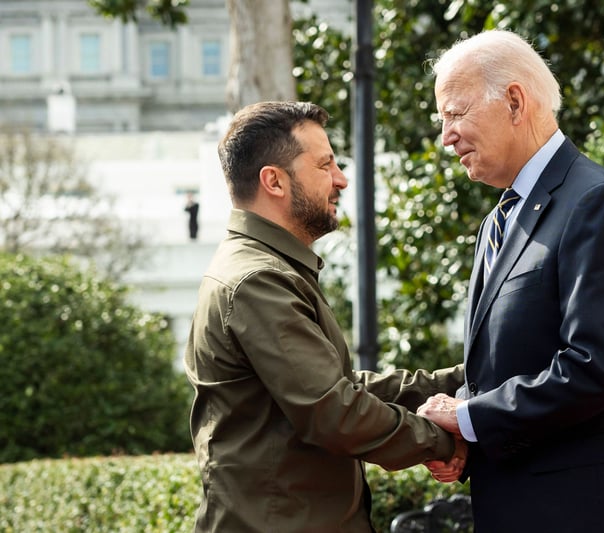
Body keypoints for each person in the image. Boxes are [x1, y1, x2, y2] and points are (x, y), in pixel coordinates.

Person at [416, 30, 604, 532]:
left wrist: (469, 417)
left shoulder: (597, 201)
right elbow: (507, 368)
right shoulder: (497, 220)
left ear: (515, 101)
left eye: (455, 113)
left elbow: (594, 369)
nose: (446, 136)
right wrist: (466, 442)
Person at [183, 101, 466, 532]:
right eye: (325, 164)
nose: (341, 179)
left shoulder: (268, 268)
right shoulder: (259, 280)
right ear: (273, 181)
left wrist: (460, 384)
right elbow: (335, 413)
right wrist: (449, 437)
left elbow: (339, 389)